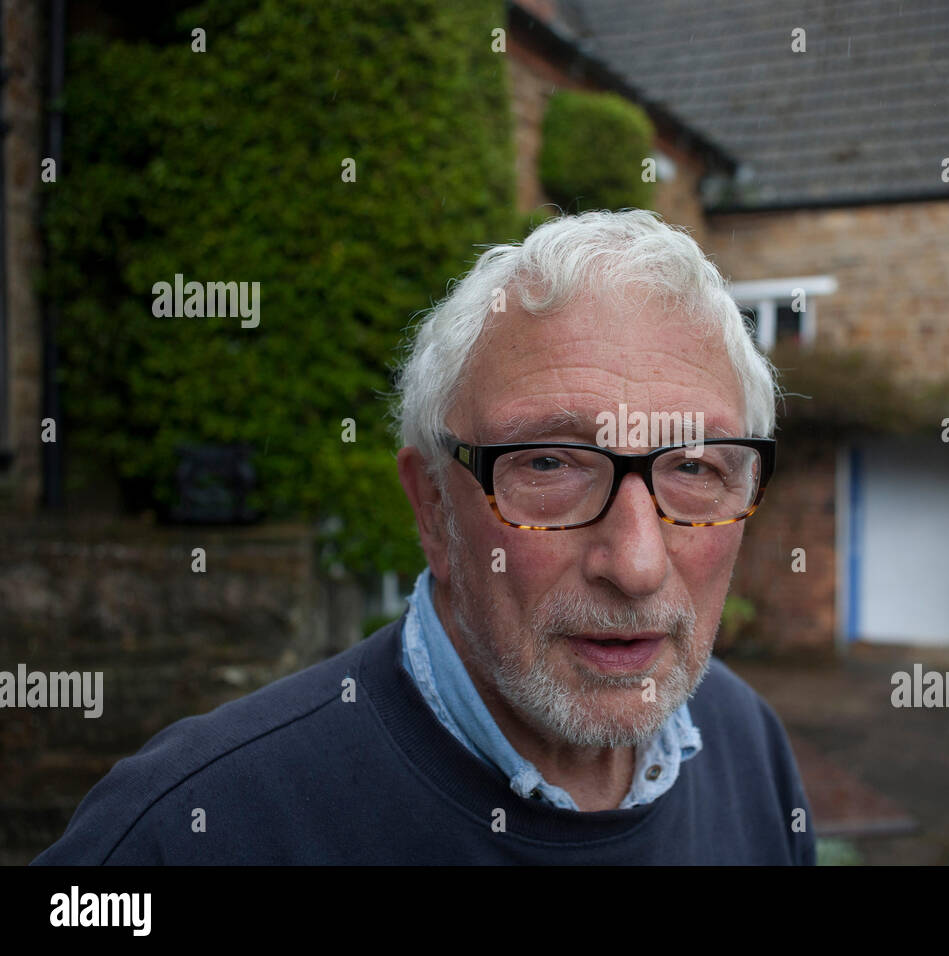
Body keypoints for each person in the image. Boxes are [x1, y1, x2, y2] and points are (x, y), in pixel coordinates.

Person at [34, 209, 816, 864]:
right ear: (434, 509)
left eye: (694, 466)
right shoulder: (188, 830)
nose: (638, 564)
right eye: (548, 462)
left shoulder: (749, 748)